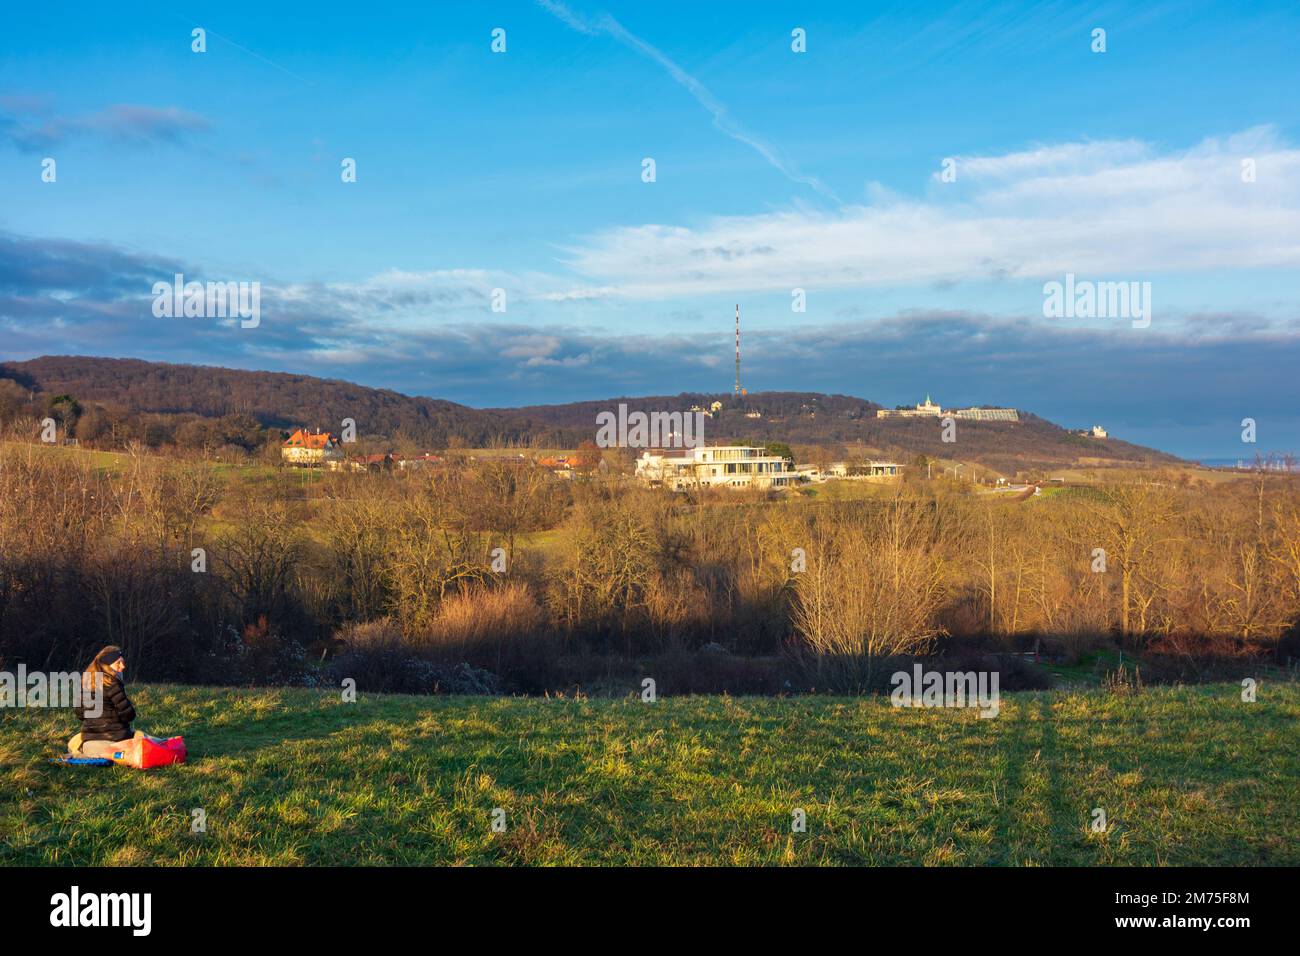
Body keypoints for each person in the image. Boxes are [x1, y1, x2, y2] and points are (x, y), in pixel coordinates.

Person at [68, 646, 165, 761]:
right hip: (116, 740)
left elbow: (79, 714)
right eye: (118, 663)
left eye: (123, 662)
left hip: (89, 742)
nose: (123, 666)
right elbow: (129, 715)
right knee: (149, 741)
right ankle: (168, 745)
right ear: (107, 665)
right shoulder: (112, 683)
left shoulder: (84, 682)